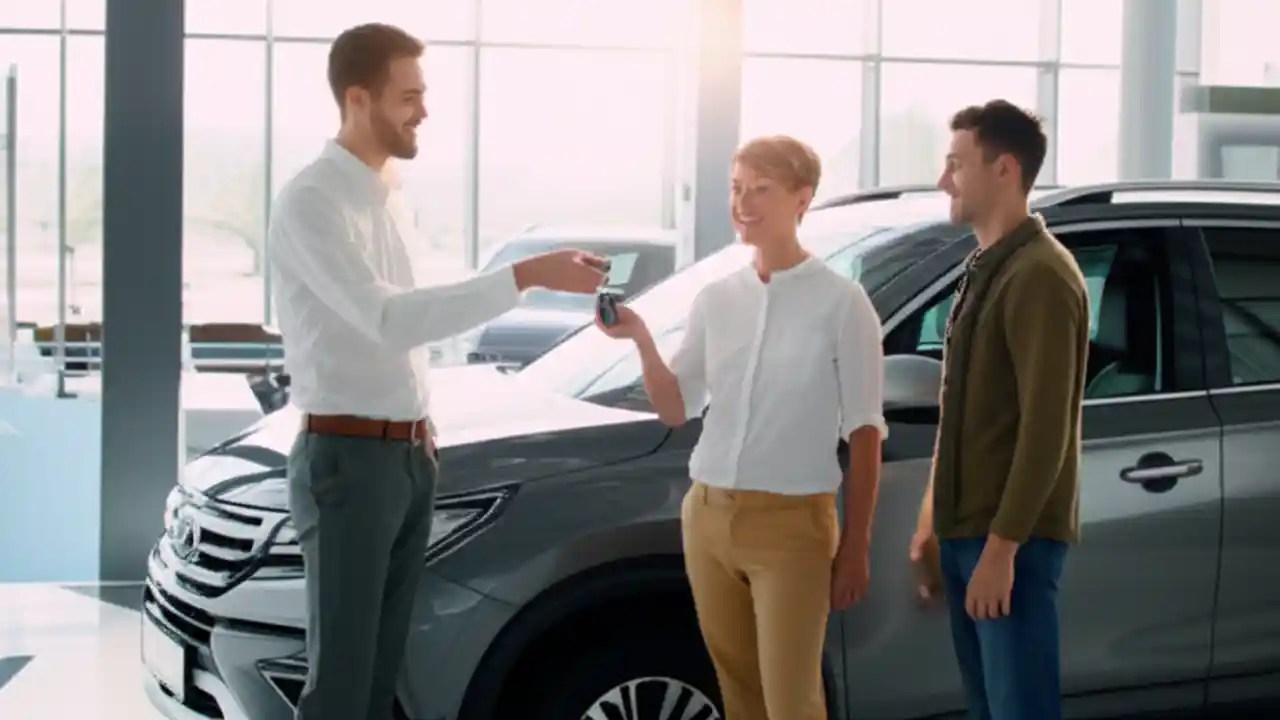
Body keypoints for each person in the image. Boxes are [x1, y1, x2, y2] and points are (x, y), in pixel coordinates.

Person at [265, 23, 607, 720]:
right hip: (348, 460)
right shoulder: (312, 201)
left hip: (406, 455)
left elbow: (404, 335)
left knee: (381, 675)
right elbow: (390, 320)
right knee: (339, 685)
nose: (424, 110)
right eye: (409, 95)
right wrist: (526, 276)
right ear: (358, 99)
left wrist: (421, 429)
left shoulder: (387, 194)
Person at [597, 135, 886, 720]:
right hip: (707, 517)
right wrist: (641, 340)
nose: (743, 202)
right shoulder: (717, 299)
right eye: (736, 188)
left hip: (793, 526)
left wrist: (855, 547)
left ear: (803, 199)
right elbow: (676, 408)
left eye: (762, 189)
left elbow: (865, 432)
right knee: (739, 695)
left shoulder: (843, 303)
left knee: (791, 702)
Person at [908, 100, 1089, 720]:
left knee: (1020, 711)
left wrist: (1001, 551)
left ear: (1004, 169)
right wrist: (935, 520)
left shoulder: (1041, 275)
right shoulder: (985, 269)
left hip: (1010, 540)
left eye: (956, 164)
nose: (943, 180)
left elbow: (1046, 430)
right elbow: (961, 410)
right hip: (970, 533)